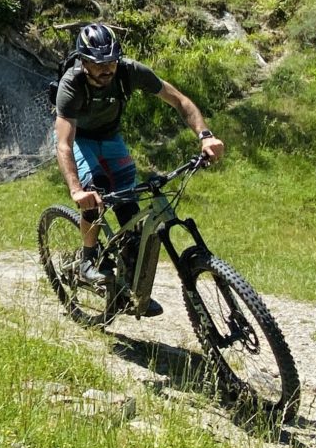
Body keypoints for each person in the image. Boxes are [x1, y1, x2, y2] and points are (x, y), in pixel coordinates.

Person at [53, 22, 225, 312]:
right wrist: (75, 190)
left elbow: (179, 100)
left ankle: (131, 292)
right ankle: (86, 259)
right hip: (79, 139)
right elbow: (64, 144)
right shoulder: (71, 85)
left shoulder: (130, 72)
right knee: (96, 192)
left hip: (111, 139)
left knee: (130, 212)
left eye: (111, 61)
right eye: (98, 64)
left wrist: (205, 136)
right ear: (83, 62)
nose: (107, 69)